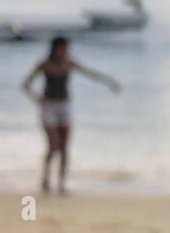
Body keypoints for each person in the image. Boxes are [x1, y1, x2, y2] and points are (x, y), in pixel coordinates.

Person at [22, 36, 120, 194]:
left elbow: (91, 73)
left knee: (64, 147)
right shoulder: (44, 65)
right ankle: (45, 179)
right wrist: (37, 98)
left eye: (66, 49)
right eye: (62, 48)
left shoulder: (69, 63)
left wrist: (110, 82)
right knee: (53, 145)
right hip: (49, 107)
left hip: (64, 106)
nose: (64, 51)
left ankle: (61, 184)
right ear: (54, 49)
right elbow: (25, 85)